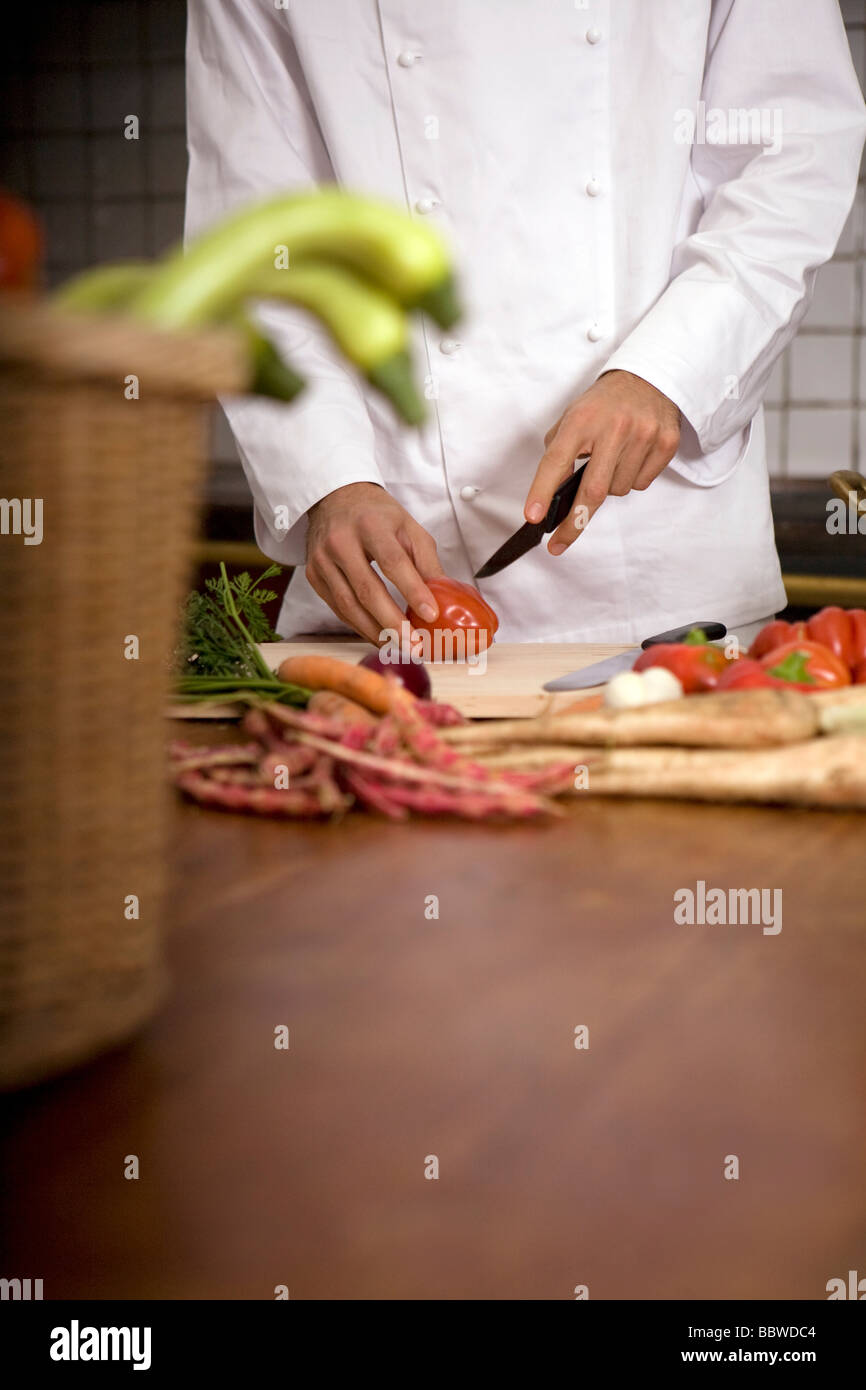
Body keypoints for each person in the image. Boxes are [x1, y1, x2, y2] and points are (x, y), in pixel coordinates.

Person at [186, 0, 866, 648]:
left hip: (661, 581)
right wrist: (328, 479)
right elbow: (255, 241)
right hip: (391, 572)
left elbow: (792, 156)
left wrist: (667, 373)